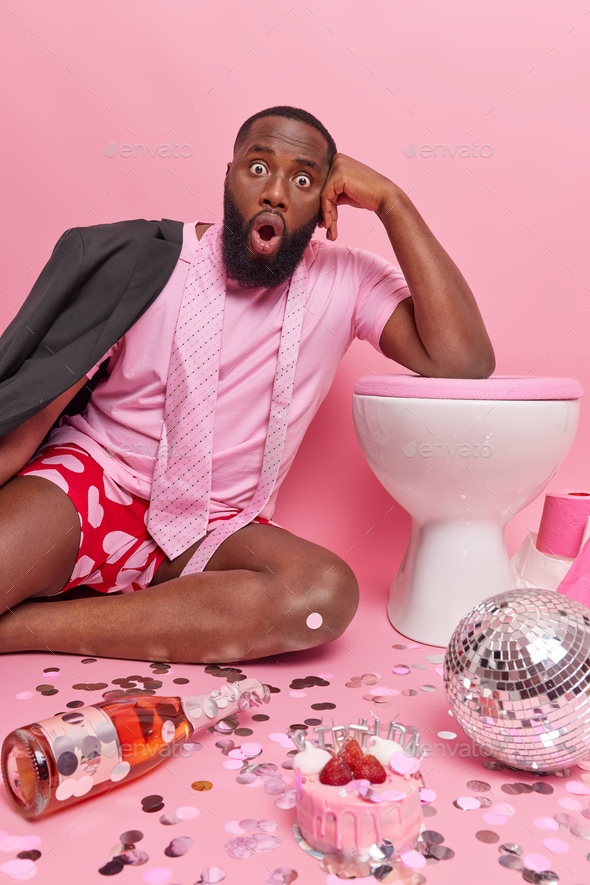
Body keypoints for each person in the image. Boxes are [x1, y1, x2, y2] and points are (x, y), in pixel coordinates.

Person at [0, 105, 495, 664]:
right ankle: (156, 615)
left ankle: (23, 629)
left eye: (303, 179)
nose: (276, 193)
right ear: (229, 176)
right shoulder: (149, 263)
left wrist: (392, 202)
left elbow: (465, 360)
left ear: (327, 202)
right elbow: (36, 410)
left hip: (216, 530)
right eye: (258, 168)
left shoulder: (348, 278)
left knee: (321, 595)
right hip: (91, 486)